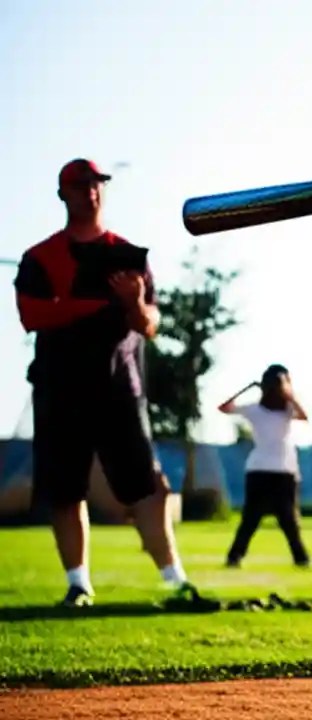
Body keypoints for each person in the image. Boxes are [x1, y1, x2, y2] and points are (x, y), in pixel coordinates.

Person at [12, 158, 194, 608]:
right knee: (65, 488)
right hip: (60, 388)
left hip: (120, 388)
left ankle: (175, 580)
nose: (90, 191)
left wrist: (132, 302)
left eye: (97, 184)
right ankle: (79, 584)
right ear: (64, 194)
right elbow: (32, 315)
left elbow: (150, 323)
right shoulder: (41, 257)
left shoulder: (127, 254)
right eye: (80, 185)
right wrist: (92, 304)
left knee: (149, 486)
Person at [217, 364, 311, 568]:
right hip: (260, 469)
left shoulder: (287, 411)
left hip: (284, 469)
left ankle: (300, 558)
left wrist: (290, 395)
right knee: (251, 517)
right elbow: (224, 408)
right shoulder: (254, 409)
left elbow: (304, 416)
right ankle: (235, 557)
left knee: (288, 519)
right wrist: (246, 388)